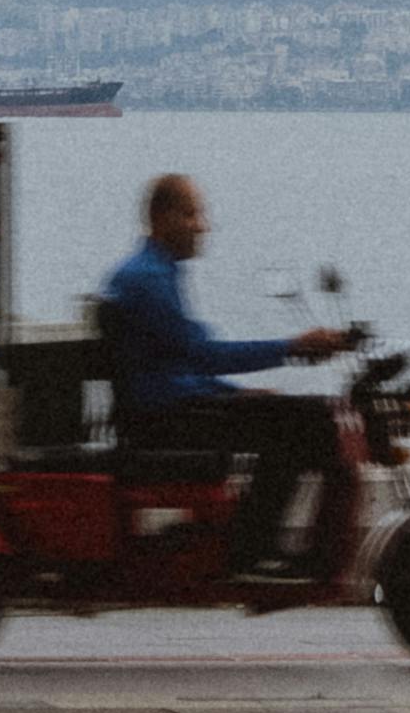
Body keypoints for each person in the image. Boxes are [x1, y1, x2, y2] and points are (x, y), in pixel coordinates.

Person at [88, 173, 365, 592]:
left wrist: (237, 394)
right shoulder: (147, 279)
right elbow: (202, 356)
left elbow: (178, 364)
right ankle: (257, 554)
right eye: (191, 213)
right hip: (164, 419)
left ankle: (262, 549)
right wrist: (292, 347)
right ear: (160, 218)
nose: (203, 225)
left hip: (169, 407)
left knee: (292, 417)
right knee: (304, 422)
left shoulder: (154, 271)